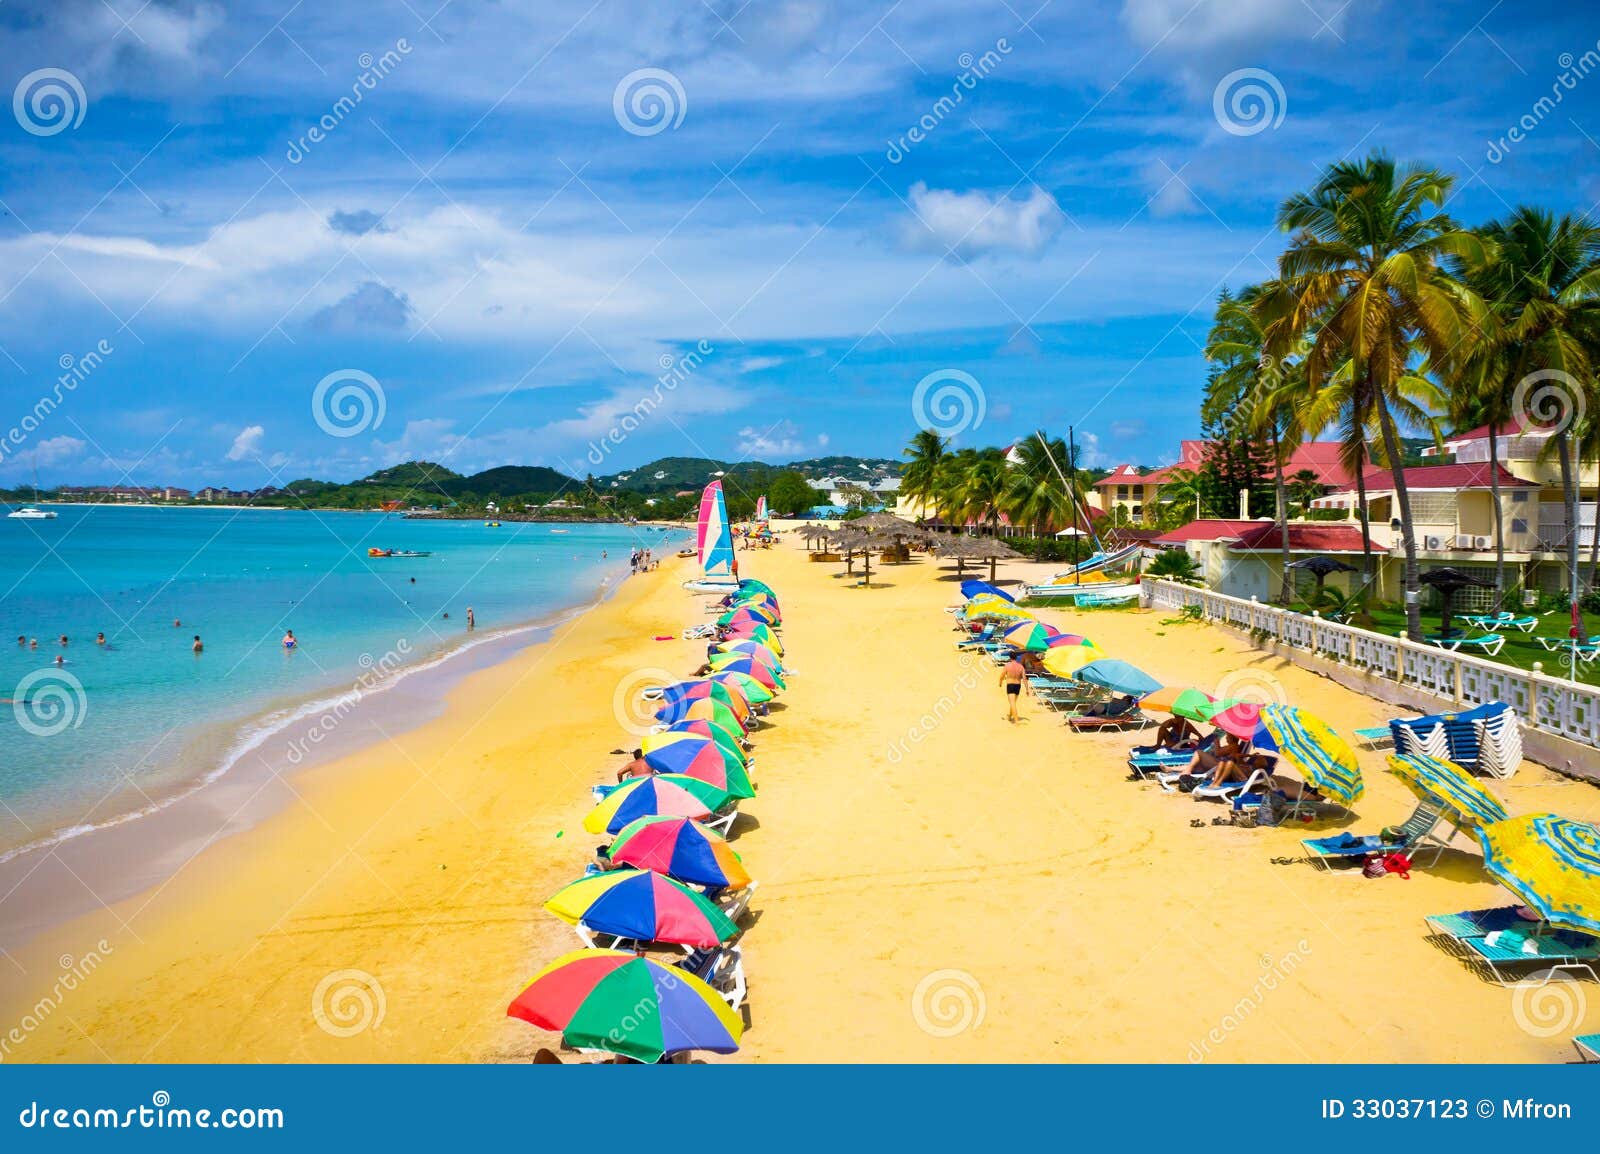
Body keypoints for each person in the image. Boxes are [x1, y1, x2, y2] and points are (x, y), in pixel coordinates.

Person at [999, 656, 1026, 723]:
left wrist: (1000, 682)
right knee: (1013, 702)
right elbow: (1024, 678)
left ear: (1010, 658)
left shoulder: (1007, 665)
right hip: (1018, 685)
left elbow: (1002, 675)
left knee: (1012, 703)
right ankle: (1009, 717)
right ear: (1016, 658)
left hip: (1010, 685)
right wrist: (1027, 689)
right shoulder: (1021, 666)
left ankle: (1016, 721)